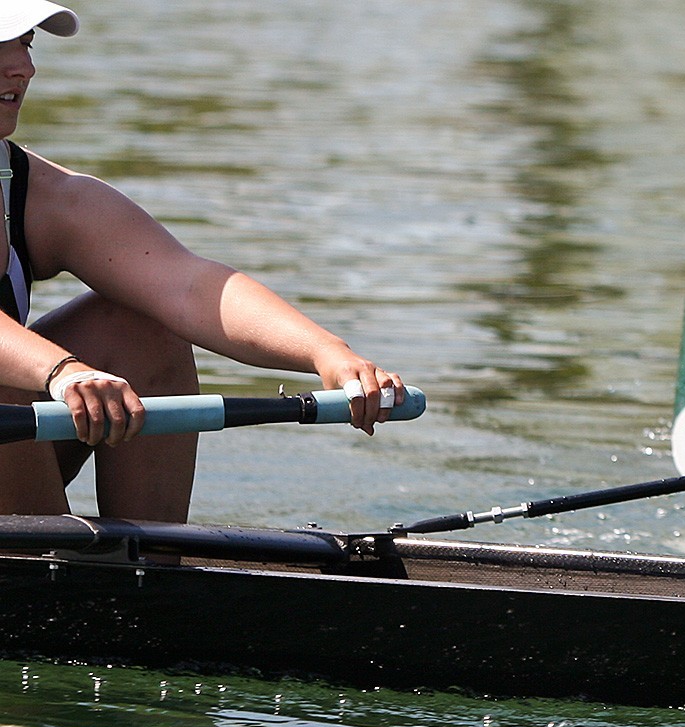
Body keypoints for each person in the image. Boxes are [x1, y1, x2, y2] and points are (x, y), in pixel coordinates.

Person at [0, 0, 405, 523]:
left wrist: (328, 354)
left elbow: (188, 287)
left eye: (25, 45)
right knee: (9, 377)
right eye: (0, 47)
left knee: (144, 326)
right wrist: (61, 371)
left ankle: (152, 572)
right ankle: (52, 577)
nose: (23, 67)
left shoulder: (37, 192)